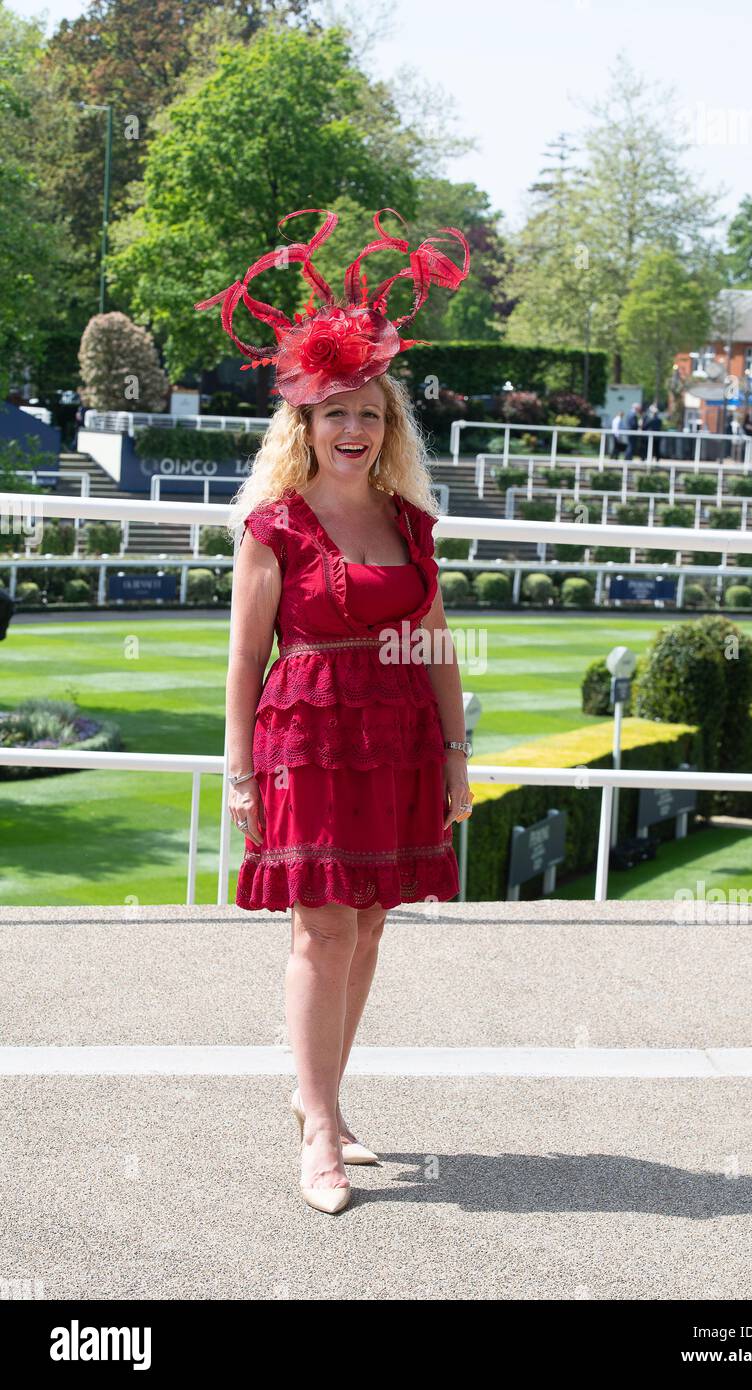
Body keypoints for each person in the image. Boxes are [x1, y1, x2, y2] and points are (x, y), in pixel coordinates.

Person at [196, 206, 474, 1215]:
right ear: (302, 424)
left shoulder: (409, 522)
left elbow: (434, 644)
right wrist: (237, 770)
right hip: (306, 735)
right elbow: (244, 659)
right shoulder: (272, 524)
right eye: (333, 412)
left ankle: (325, 1100)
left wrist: (453, 755)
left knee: (366, 922)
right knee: (321, 925)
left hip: (397, 734)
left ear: (387, 426)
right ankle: (316, 1129)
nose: (352, 428)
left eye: (368, 412)